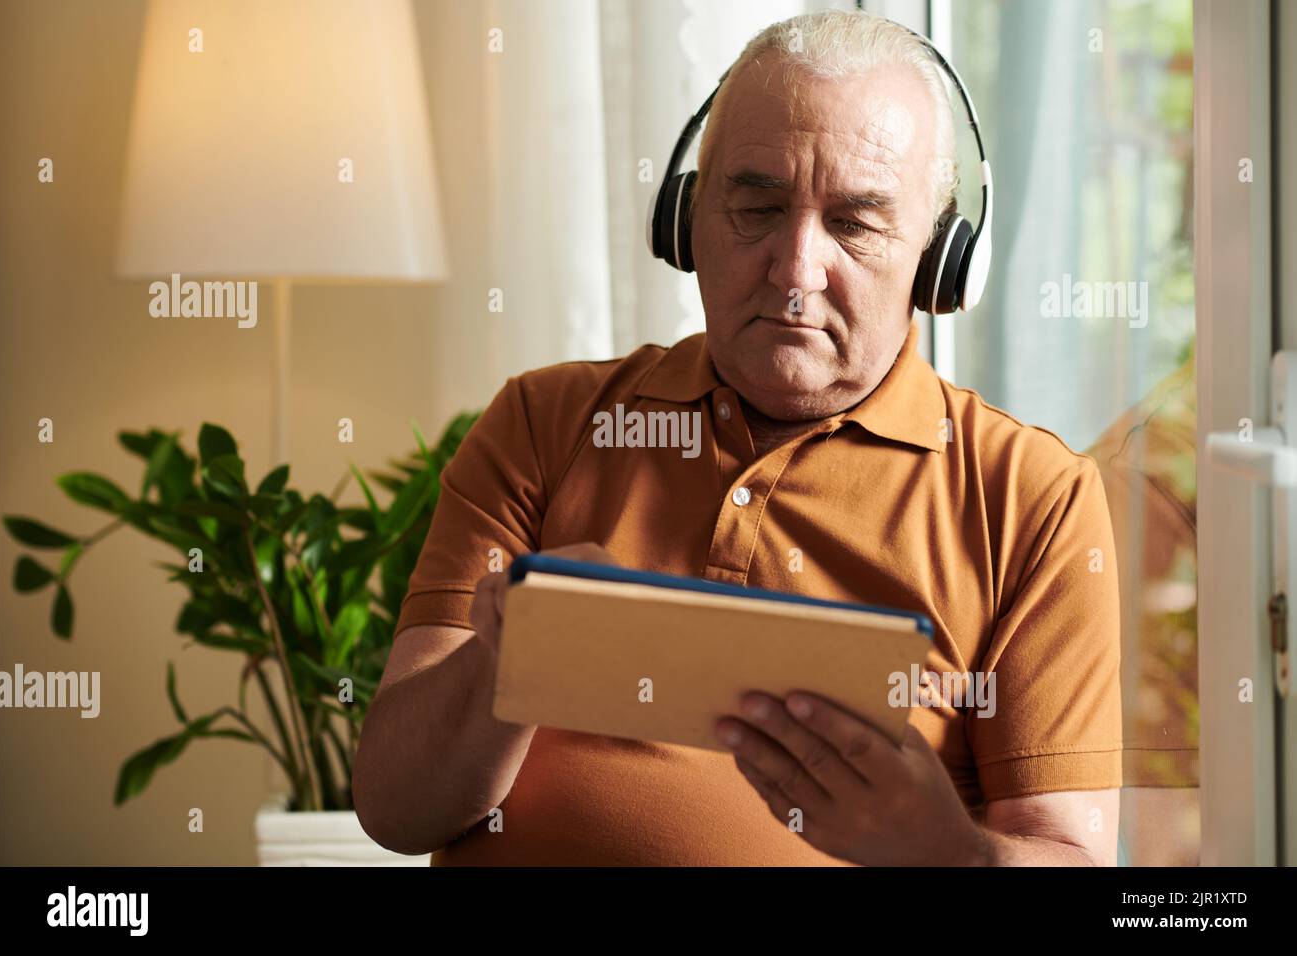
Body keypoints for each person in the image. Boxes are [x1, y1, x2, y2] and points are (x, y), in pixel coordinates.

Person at [352, 9, 1122, 866]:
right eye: (756, 207)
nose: (795, 270)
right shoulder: (543, 424)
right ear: (685, 221)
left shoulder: (1032, 500)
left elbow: (1071, 860)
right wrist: (509, 661)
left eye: (856, 225)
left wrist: (949, 853)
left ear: (939, 260)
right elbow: (395, 809)